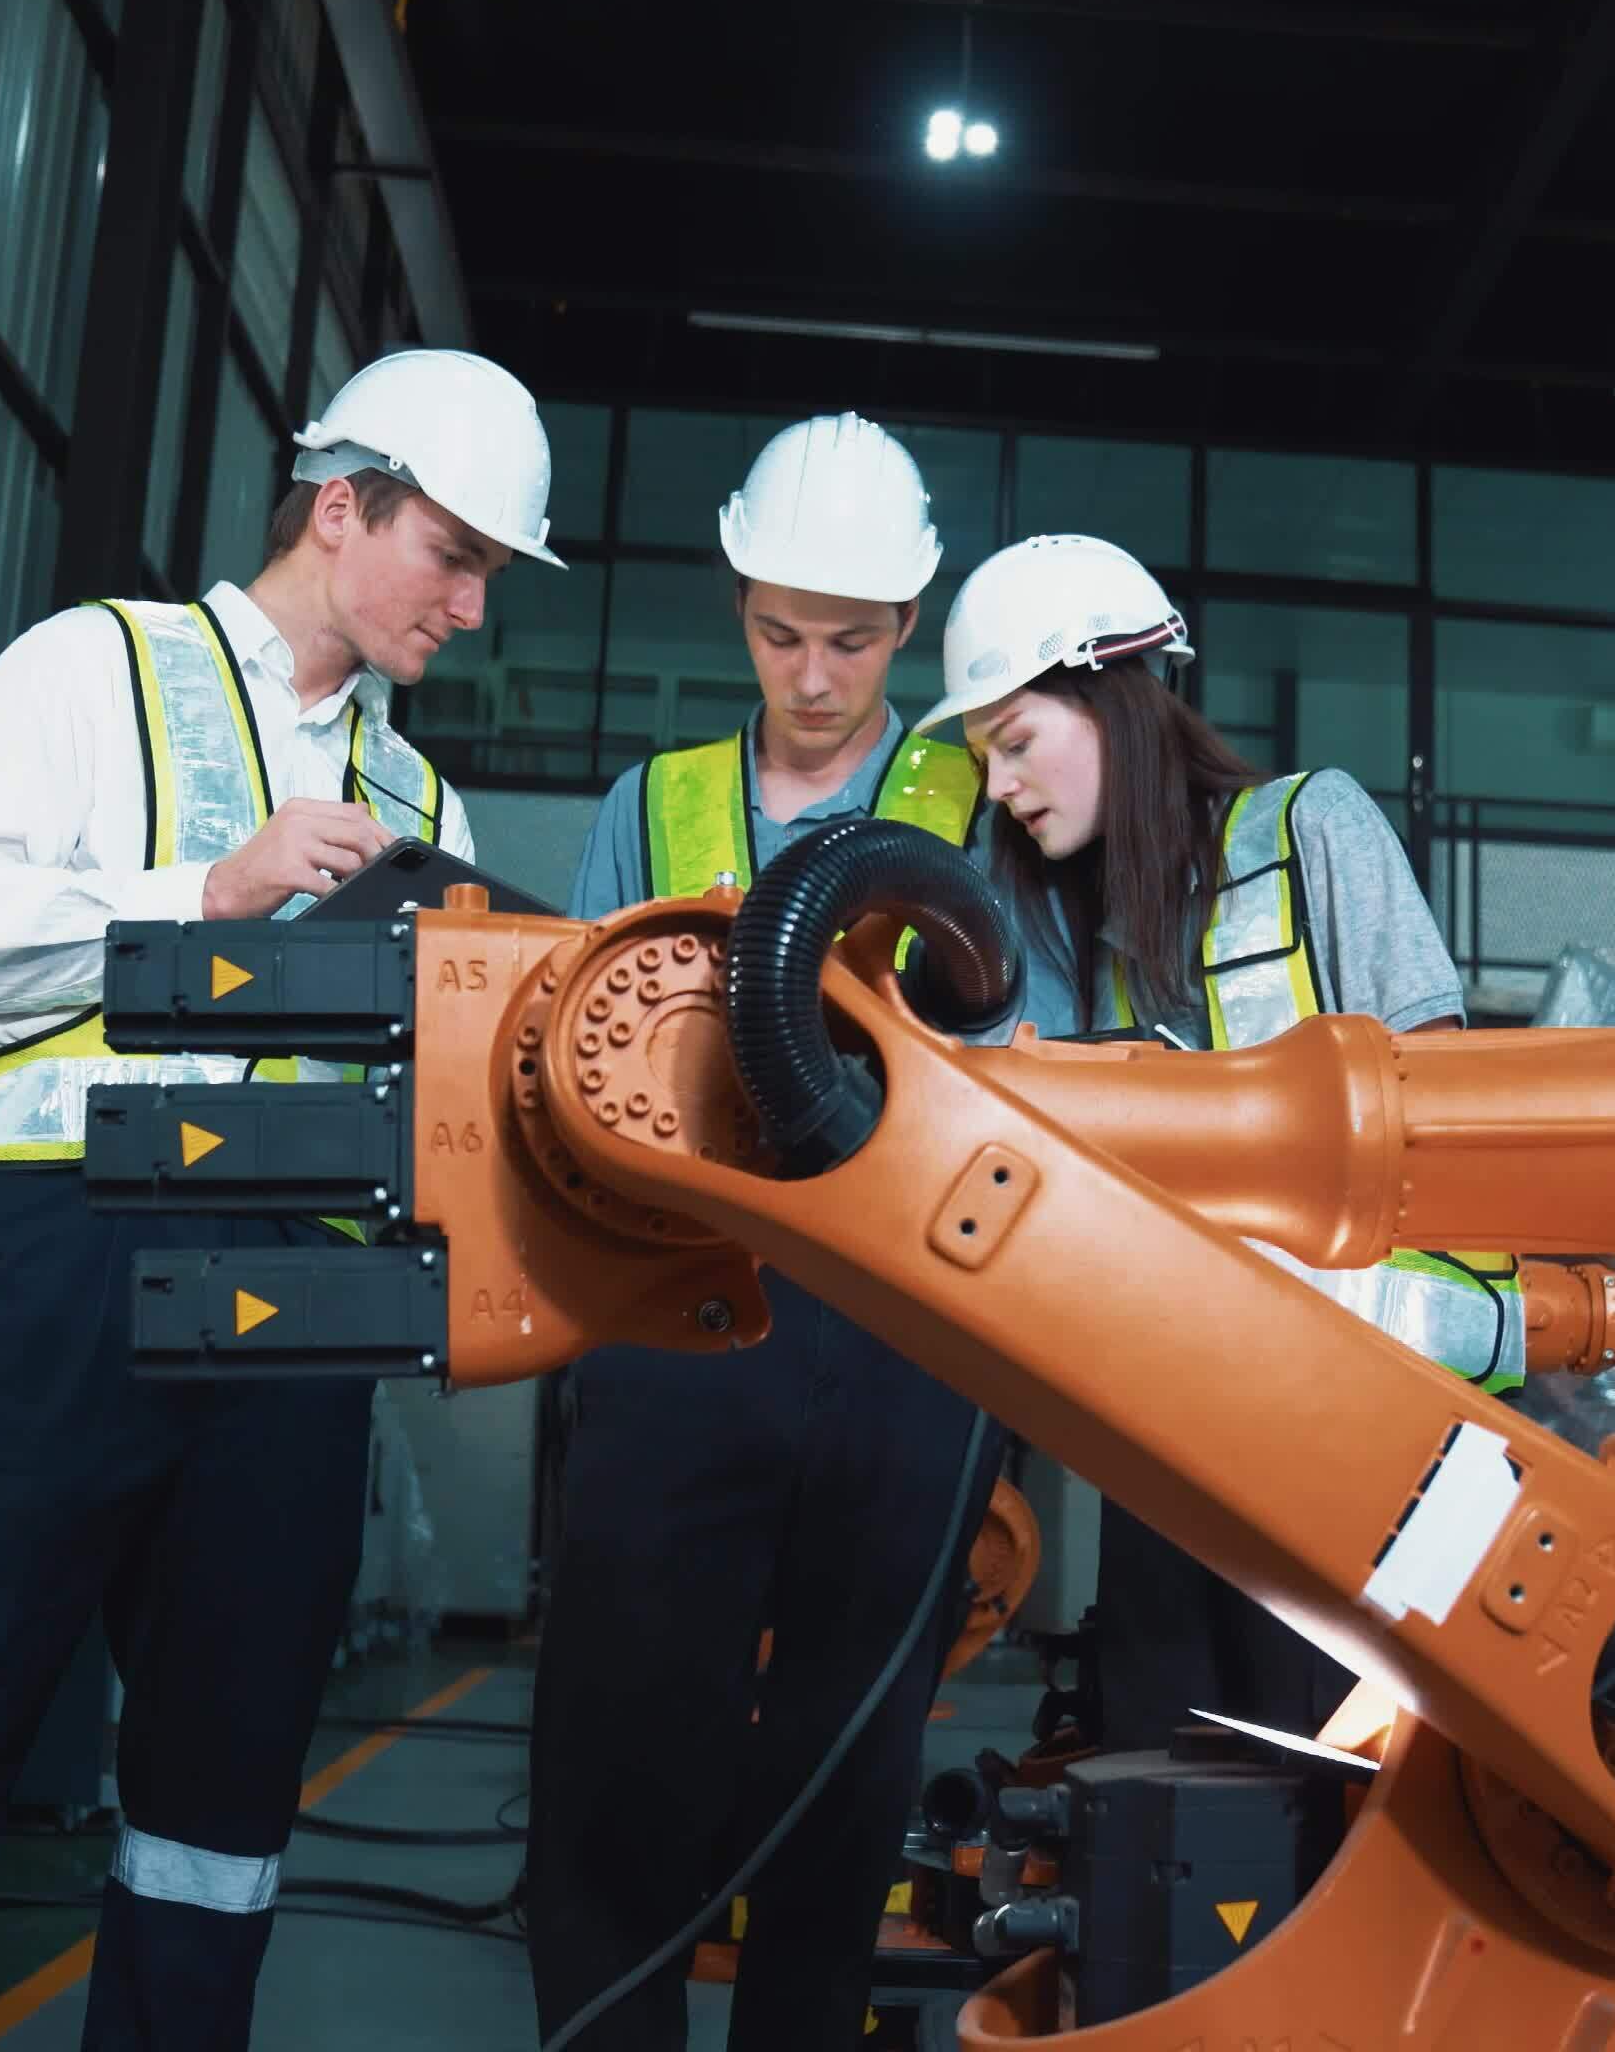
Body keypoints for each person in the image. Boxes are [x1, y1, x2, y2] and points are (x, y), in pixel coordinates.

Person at [0, 349, 554, 2050]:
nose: (470, 605)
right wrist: (202, 896)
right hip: (55, 1263)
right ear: (342, 506)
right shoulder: (92, 670)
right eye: (452, 556)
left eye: (488, 573)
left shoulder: (426, 804)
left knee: (220, 1811)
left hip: (303, 1323)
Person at [525, 413, 1003, 2051]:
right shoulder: (650, 806)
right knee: (619, 1762)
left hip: (900, 1350)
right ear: (739, 602)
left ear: (910, 629)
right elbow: (561, 1055)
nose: (814, 676)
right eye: (783, 633)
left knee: (840, 1780)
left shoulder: (970, 825)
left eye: (854, 642)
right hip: (676, 1329)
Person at [914, 531, 1508, 1758]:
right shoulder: (1057, 911)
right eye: (985, 762)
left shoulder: (1312, 833)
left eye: (1018, 743)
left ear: (1117, 699)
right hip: (1180, 1429)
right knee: (1163, 1766)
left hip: (1366, 1433)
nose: (1005, 787)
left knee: (1344, 1772)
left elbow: (1446, 1117)